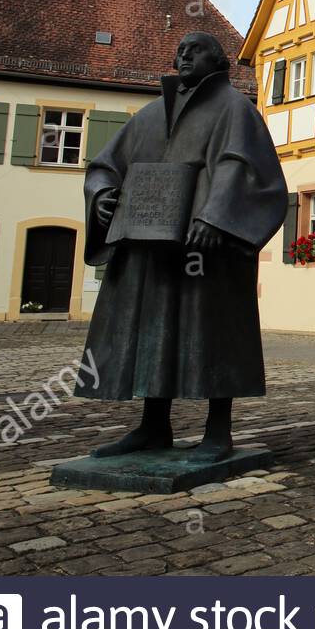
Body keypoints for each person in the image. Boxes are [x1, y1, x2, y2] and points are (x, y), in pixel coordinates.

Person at [74, 32, 287, 463]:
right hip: (147, 249)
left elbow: (245, 167)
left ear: (220, 61)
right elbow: (104, 165)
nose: (184, 54)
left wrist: (216, 217)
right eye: (180, 50)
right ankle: (153, 426)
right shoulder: (151, 115)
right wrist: (103, 196)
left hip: (207, 249)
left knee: (211, 332)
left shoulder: (235, 109)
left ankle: (218, 431)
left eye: (196, 48)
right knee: (154, 333)